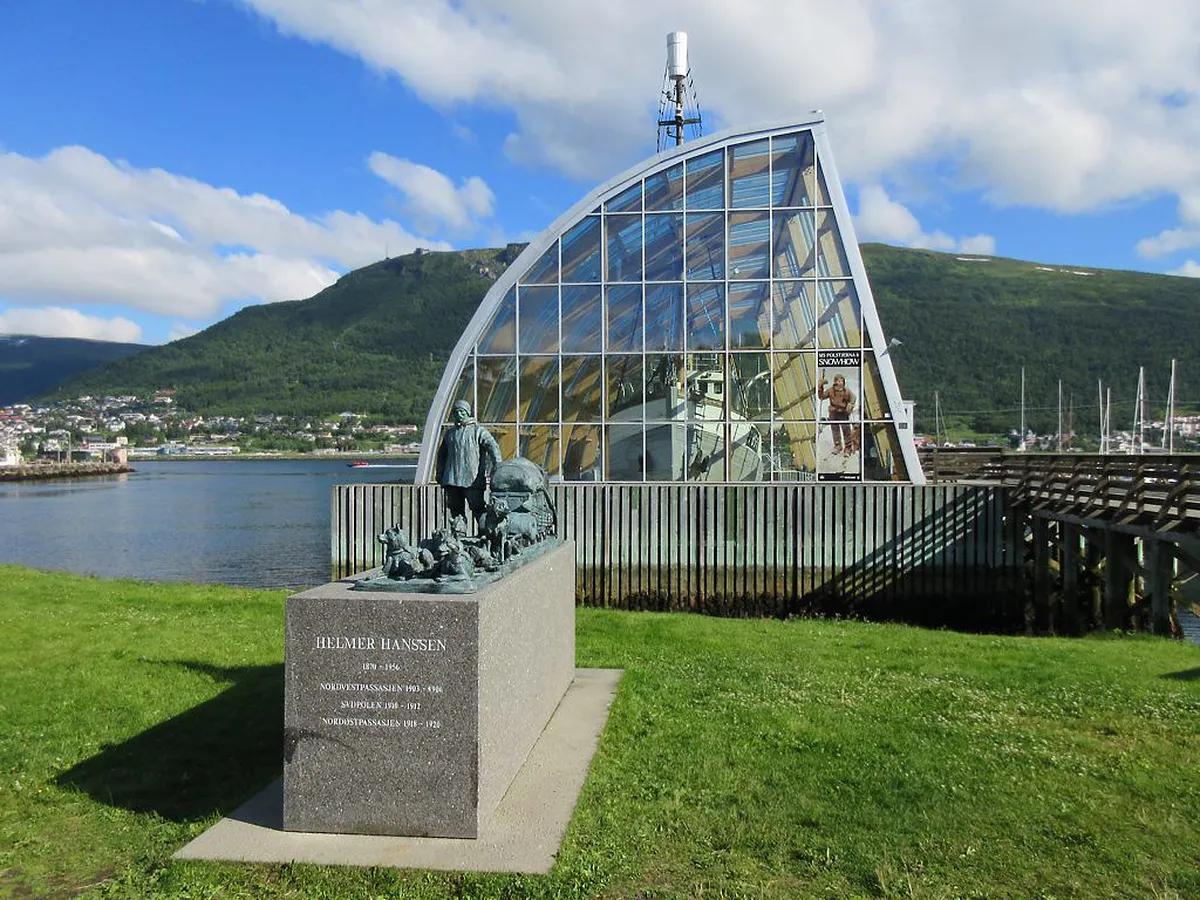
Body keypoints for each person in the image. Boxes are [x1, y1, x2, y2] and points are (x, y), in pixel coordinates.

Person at [436, 400, 501, 522]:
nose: (459, 414)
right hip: (451, 479)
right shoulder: (450, 434)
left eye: (462, 412)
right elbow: (441, 456)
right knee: (455, 510)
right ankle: (459, 535)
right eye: (456, 412)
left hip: (473, 480)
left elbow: (493, 446)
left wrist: (498, 466)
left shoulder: (478, 431)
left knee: (478, 508)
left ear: (468, 413)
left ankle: (484, 535)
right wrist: (439, 473)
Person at [818, 372, 857, 456]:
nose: (839, 383)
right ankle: (837, 446)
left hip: (843, 412)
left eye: (841, 381)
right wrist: (820, 387)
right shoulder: (831, 390)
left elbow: (853, 397)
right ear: (835, 382)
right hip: (833, 412)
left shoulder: (846, 391)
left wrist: (850, 405)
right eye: (838, 381)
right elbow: (821, 396)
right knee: (835, 430)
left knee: (846, 430)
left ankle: (848, 448)